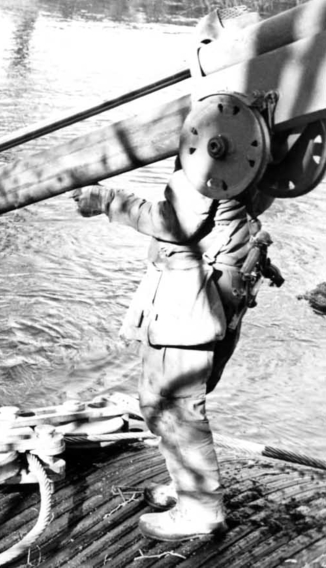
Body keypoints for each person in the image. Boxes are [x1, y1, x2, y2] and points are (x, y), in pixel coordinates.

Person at [72, 161, 273, 542]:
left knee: (172, 404)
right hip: (223, 284)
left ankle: (200, 510)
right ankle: (189, 487)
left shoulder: (214, 148)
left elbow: (177, 222)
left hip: (193, 295)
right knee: (176, 400)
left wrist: (107, 199)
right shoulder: (257, 149)